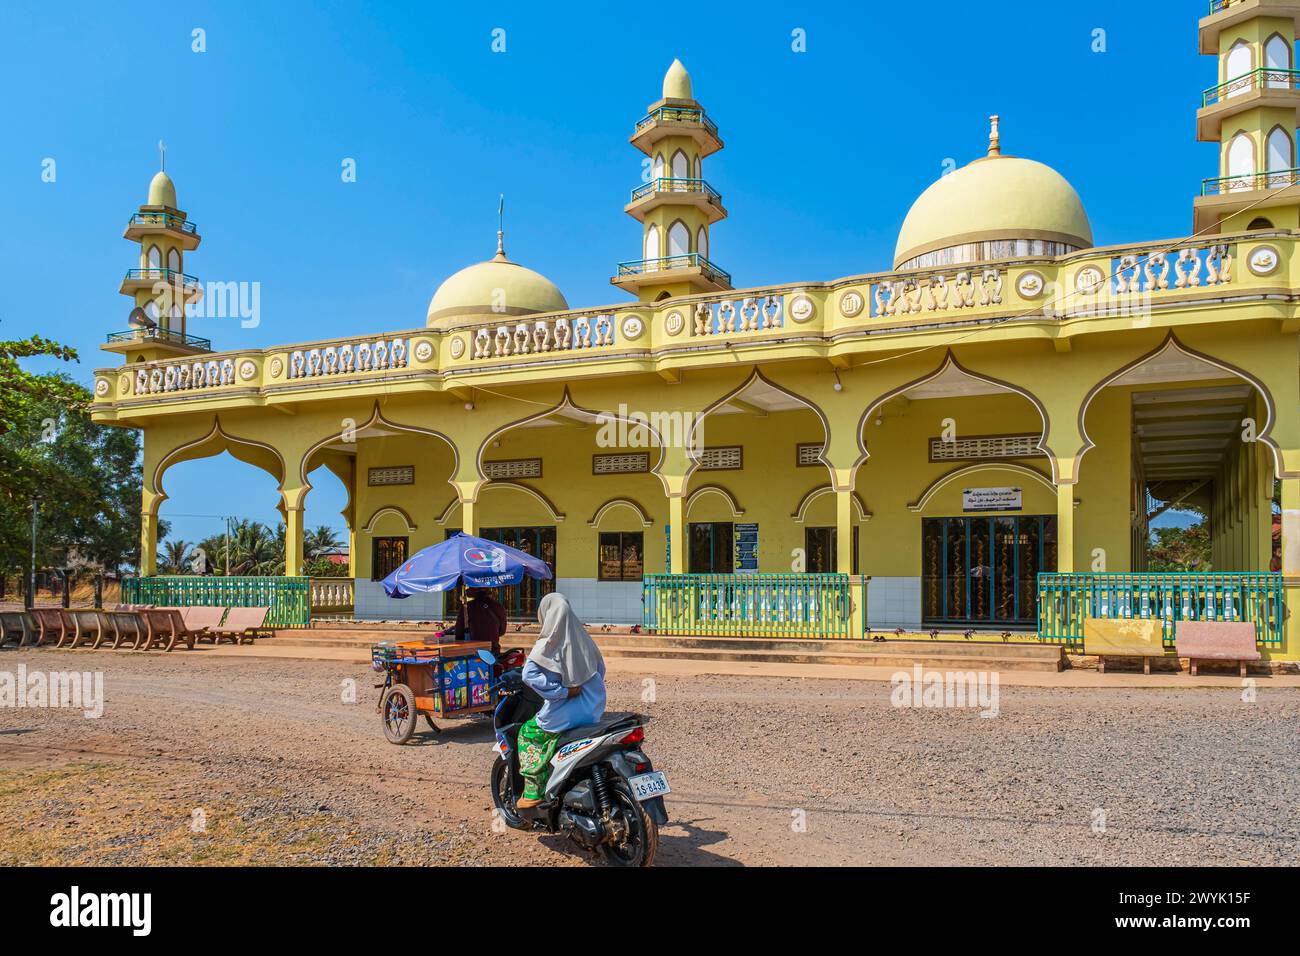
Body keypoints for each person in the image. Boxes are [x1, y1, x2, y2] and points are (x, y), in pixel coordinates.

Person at [515, 592, 605, 809]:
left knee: (528, 734)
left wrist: (562, 692)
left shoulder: (547, 644)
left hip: (565, 713)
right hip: (594, 709)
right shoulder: (585, 640)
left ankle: (534, 791)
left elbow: (529, 675)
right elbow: (601, 671)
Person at [453, 587, 508, 656]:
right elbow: (502, 631)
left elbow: (458, 633)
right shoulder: (499, 606)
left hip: (473, 652)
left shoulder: (467, 608)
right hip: (493, 650)